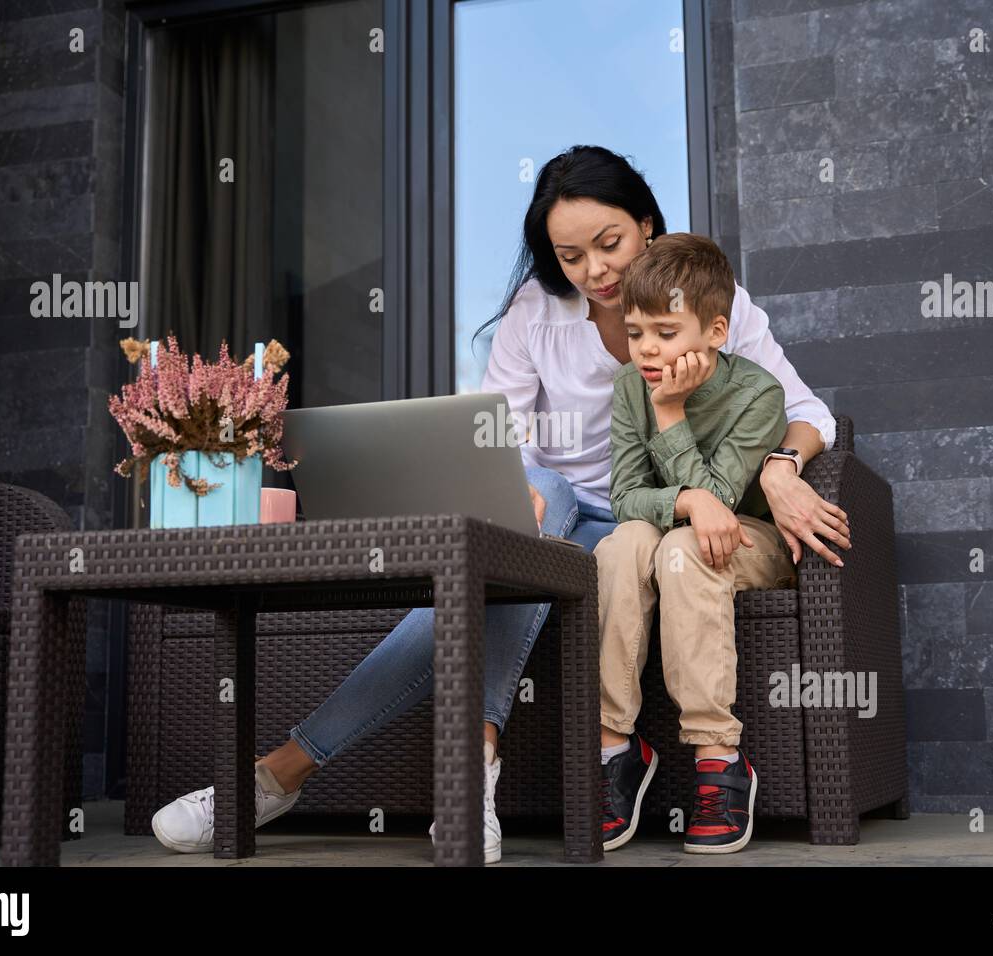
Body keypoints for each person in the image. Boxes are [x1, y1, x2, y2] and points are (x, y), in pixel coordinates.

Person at [151, 145, 850, 863]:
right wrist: (512, 495)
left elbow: (805, 412)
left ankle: (283, 772)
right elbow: (498, 438)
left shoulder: (701, 303)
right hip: (563, 524)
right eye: (571, 255)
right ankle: (460, 778)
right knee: (534, 499)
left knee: (516, 558)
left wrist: (782, 468)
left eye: (609, 244)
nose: (596, 271)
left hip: (653, 517)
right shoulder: (537, 313)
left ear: (646, 224)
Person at [594, 232, 796, 855]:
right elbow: (626, 496)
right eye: (636, 333)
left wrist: (674, 412)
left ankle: (719, 758)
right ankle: (614, 750)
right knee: (620, 545)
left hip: (748, 542)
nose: (648, 350)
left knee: (685, 549)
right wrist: (683, 499)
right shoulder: (629, 389)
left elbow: (723, 511)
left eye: (665, 332)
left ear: (714, 330)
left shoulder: (758, 395)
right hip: (669, 532)